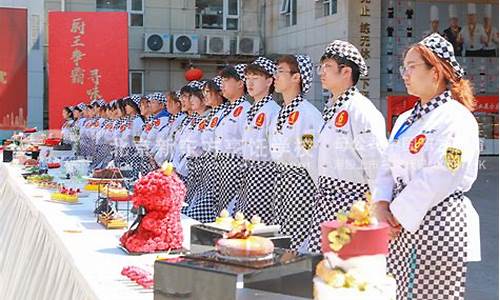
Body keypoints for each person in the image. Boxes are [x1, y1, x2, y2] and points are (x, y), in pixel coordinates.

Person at [373, 33, 480, 300]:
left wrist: (395, 212)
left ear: (436, 73)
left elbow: (442, 173)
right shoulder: (406, 118)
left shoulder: (457, 118)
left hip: (438, 225)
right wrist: (381, 204)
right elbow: (388, 164)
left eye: (412, 67)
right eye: (404, 67)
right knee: (398, 293)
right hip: (400, 223)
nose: (405, 74)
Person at [308, 40, 388, 253]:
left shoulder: (361, 110)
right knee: (326, 265)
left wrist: (376, 208)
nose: (322, 72)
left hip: (352, 202)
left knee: (348, 266)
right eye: (321, 66)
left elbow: (376, 163)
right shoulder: (332, 107)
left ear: (346, 72)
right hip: (327, 199)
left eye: (328, 67)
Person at [268, 54, 321, 251]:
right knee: (281, 236)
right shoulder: (281, 112)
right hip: (282, 180)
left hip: (300, 183)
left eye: (280, 71)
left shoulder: (307, 114)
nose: (276, 76)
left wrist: (319, 191)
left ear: (296, 77)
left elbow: (311, 155)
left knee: (297, 239)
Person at [234, 57, 280, 225]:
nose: (250, 83)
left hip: (264, 174)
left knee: (259, 224)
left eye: (255, 78)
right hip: (248, 173)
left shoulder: (273, 111)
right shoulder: (252, 110)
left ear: (269, 81)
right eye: (247, 79)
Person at [185, 76, 227, 222]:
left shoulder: (225, 113)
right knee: (191, 211)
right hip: (203, 169)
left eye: (208, 92)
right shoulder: (212, 115)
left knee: (203, 215)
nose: (205, 95)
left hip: (221, 169)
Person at [213, 64, 251, 214]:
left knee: (230, 213)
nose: (222, 85)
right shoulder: (228, 110)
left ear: (240, 83)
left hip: (235, 168)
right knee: (220, 213)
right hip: (222, 167)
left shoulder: (246, 110)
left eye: (226, 80)